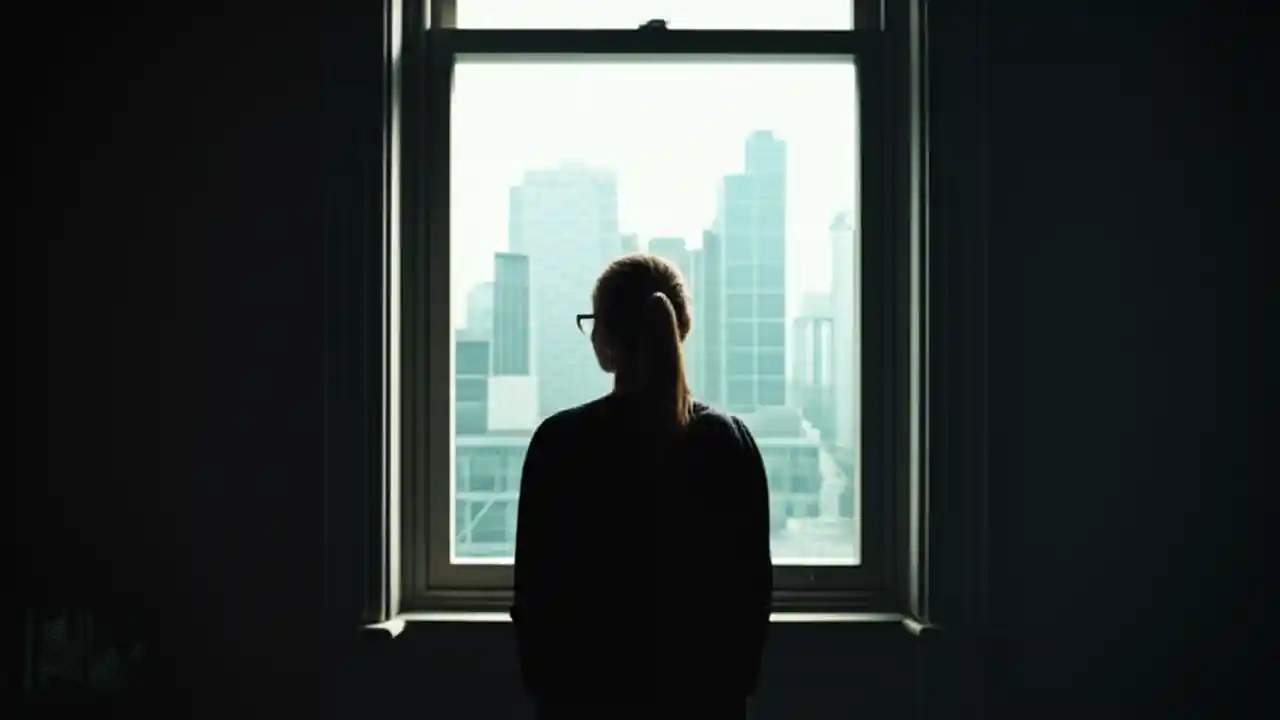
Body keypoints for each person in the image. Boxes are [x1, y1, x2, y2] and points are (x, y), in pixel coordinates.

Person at [511, 253, 774, 719]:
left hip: (583, 700)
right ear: (679, 329)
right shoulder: (727, 443)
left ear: (605, 339)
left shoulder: (560, 443)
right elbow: (750, 594)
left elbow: (535, 594)